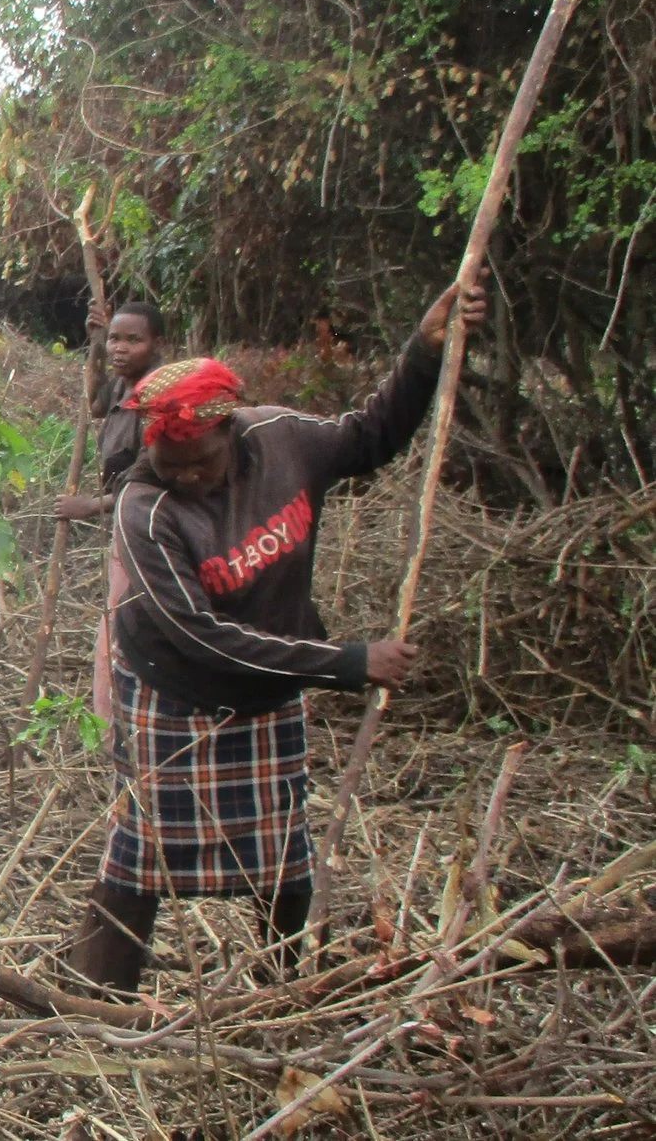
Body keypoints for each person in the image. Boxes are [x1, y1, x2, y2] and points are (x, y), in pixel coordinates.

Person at [67, 276, 488, 994]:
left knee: (284, 858)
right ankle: (95, 1001)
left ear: (230, 429)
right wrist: (346, 663)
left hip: (270, 681)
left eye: (203, 462)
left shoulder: (282, 438)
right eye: (173, 465)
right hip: (176, 691)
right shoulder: (144, 507)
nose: (189, 477)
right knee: (140, 855)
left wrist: (424, 352)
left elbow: (372, 435)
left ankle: (283, 988)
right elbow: (200, 637)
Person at [55, 299, 171, 524]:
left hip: (153, 520)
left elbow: (153, 483)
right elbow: (93, 406)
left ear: (158, 344)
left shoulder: (159, 398)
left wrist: (90, 506)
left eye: (133, 340)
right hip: (126, 513)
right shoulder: (123, 383)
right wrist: (97, 343)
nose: (120, 348)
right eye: (114, 338)